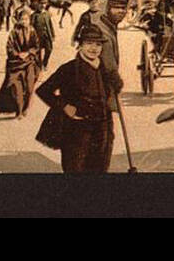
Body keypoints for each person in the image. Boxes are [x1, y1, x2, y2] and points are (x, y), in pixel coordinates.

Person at [35, 23, 122, 173]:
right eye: (89, 43)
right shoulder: (69, 69)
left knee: (100, 172)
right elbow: (43, 90)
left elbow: (114, 90)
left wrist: (116, 81)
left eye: (98, 44)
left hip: (103, 130)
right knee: (75, 172)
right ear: (80, 45)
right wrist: (65, 106)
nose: (94, 48)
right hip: (76, 131)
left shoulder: (105, 69)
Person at [0, 8, 43, 119]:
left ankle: (26, 108)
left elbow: (36, 46)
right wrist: (18, 54)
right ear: (19, 20)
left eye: (26, 19)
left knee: (30, 87)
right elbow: (9, 47)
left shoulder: (32, 31)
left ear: (29, 20)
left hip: (30, 62)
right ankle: (19, 111)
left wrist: (28, 53)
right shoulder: (14, 32)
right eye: (22, 19)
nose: (24, 21)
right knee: (17, 89)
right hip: (16, 64)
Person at [31, 0, 56, 69]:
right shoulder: (34, 15)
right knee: (38, 52)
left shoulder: (47, 14)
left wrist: (53, 35)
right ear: (38, 4)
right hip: (38, 37)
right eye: (41, 3)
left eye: (44, 4)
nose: (43, 5)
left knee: (49, 49)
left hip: (47, 36)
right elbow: (31, 27)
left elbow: (50, 25)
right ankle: (39, 65)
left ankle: (45, 63)